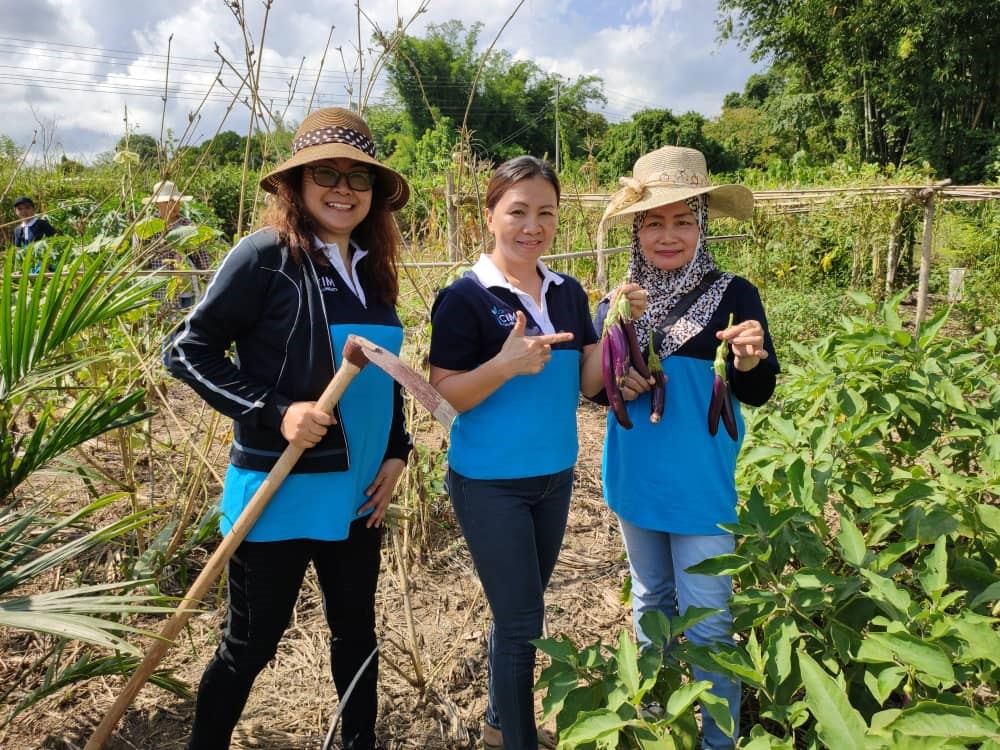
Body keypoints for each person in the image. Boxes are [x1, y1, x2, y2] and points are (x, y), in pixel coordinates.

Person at [163, 106, 412, 750]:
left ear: (374, 195)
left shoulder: (371, 268)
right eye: (325, 172)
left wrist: (396, 452)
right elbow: (187, 350)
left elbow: (382, 374)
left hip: (358, 490)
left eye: (359, 179)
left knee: (356, 628)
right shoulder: (267, 256)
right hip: (280, 487)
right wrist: (279, 412)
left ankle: (358, 740)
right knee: (252, 643)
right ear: (296, 184)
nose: (343, 189)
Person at [428, 156, 646, 750]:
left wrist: (619, 326)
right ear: (489, 215)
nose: (532, 225)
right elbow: (441, 400)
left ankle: (501, 725)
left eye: (545, 212)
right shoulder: (464, 299)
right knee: (525, 623)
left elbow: (589, 384)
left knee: (516, 613)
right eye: (517, 211)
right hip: (489, 483)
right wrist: (502, 366)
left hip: (554, 476)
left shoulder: (569, 292)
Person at [594, 145, 778, 749]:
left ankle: (717, 740)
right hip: (635, 477)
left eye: (683, 219)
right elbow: (600, 391)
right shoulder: (617, 303)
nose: (668, 234)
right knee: (651, 599)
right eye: (654, 221)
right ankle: (658, 718)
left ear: (703, 223)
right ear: (637, 231)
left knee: (709, 620)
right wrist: (619, 367)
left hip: (702, 483)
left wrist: (750, 358)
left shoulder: (735, 294)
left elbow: (757, 389)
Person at [142, 180, 212, 304]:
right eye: (168, 201)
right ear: (157, 204)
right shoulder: (146, 228)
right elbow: (139, 262)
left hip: (188, 290)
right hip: (161, 293)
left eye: (177, 201)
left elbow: (202, 258)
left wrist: (210, 283)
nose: (174, 205)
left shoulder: (188, 225)